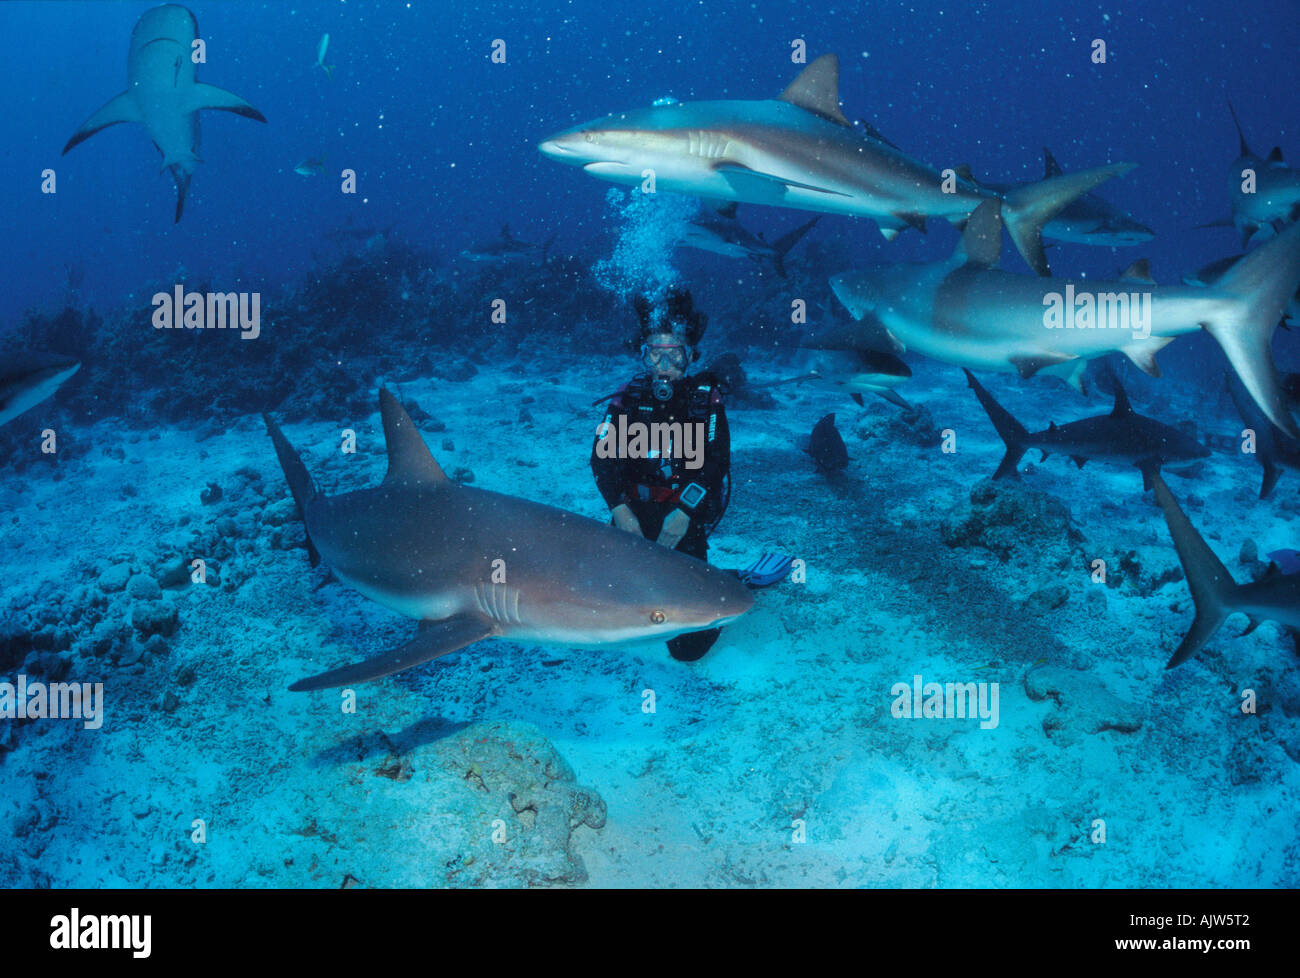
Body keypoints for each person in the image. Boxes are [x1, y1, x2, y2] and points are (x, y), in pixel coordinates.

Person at [591, 288, 732, 662]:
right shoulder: (627, 399)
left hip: (683, 519)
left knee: (688, 648)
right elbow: (601, 460)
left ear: (692, 357)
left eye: (676, 355)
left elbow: (716, 462)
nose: (665, 365)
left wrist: (684, 513)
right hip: (632, 516)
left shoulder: (705, 399)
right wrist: (620, 511)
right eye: (656, 354)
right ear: (643, 356)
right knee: (602, 610)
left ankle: (723, 583)